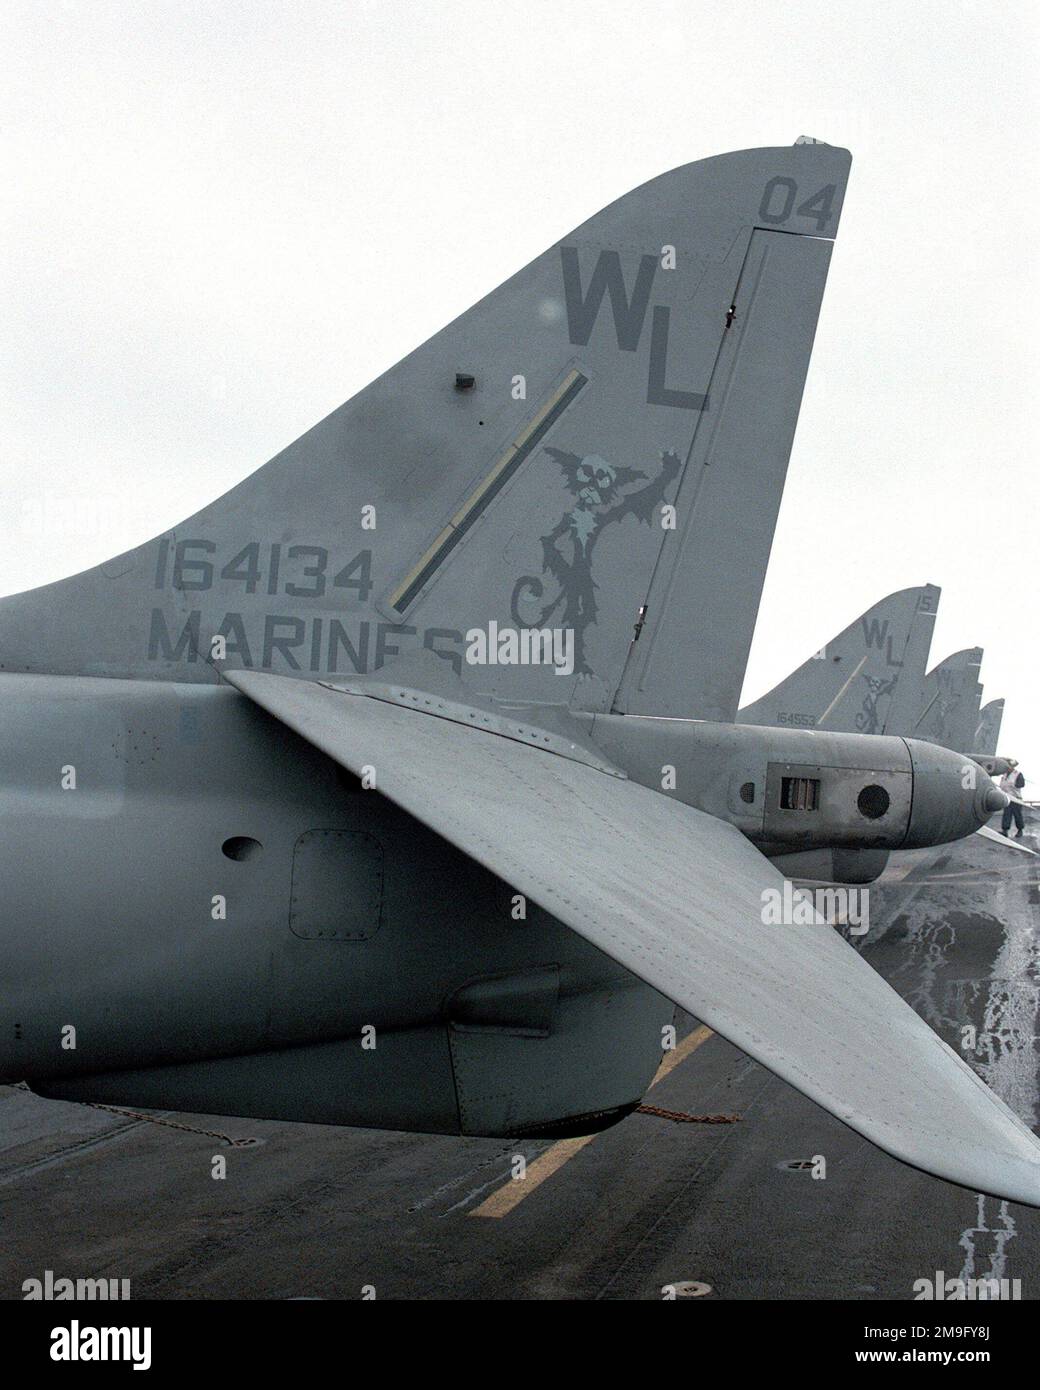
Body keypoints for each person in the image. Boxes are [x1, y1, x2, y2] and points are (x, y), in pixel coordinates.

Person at [1000, 760, 1027, 838]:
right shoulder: (1004, 775)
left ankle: (1020, 830)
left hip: (1016, 798)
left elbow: (1021, 784)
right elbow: (1002, 785)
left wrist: (1014, 785)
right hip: (1008, 798)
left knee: (1017, 815)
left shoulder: (1018, 774)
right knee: (1006, 814)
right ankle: (1005, 831)